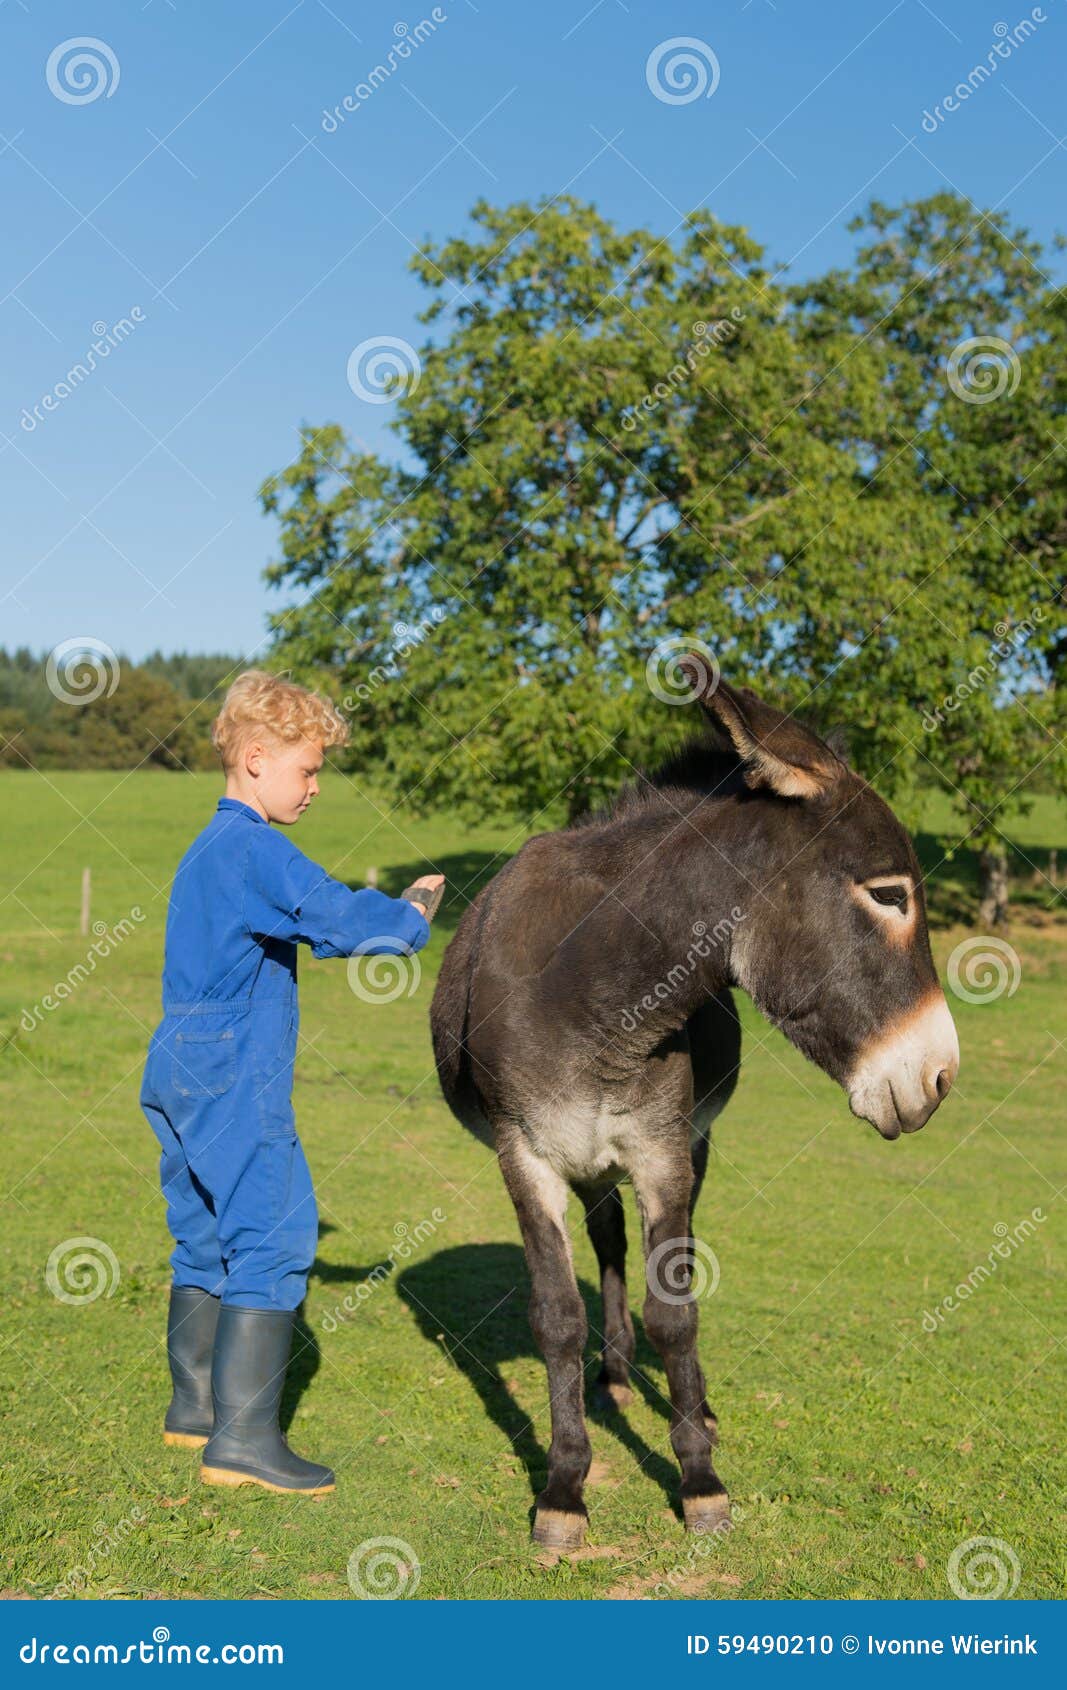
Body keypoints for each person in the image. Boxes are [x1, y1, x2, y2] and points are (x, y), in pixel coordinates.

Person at [140, 670, 444, 1495]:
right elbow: (340, 920)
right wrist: (411, 914)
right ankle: (243, 1443)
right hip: (233, 1065)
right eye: (307, 771)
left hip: (176, 1061)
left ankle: (193, 1409)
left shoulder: (206, 848)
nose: (313, 789)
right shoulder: (256, 848)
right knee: (273, 1234)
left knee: (203, 1234)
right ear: (254, 758)